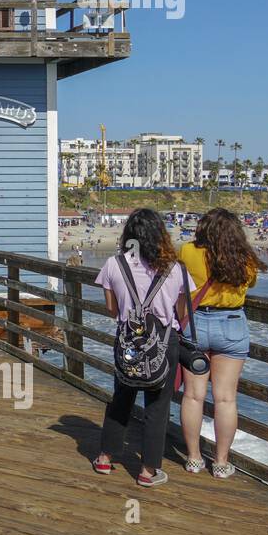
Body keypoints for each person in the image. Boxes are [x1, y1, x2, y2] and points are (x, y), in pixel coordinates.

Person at [92, 208, 191, 487]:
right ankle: (148, 470)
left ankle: (105, 456)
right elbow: (180, 313)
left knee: (122, 397)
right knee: (157, 407)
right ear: (161, 234)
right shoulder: (175, 269)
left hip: (128, 341)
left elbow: (112, 309)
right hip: (163, 341)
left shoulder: (114, 264)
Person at [178, 207, 267, 479]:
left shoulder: (187, 252)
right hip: (231, 324)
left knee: (193, 395)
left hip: (196, 325)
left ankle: (194, 458)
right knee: (226, 398)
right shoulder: (245, 257)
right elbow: (249, 284)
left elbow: (180, 282)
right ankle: (221, 462)